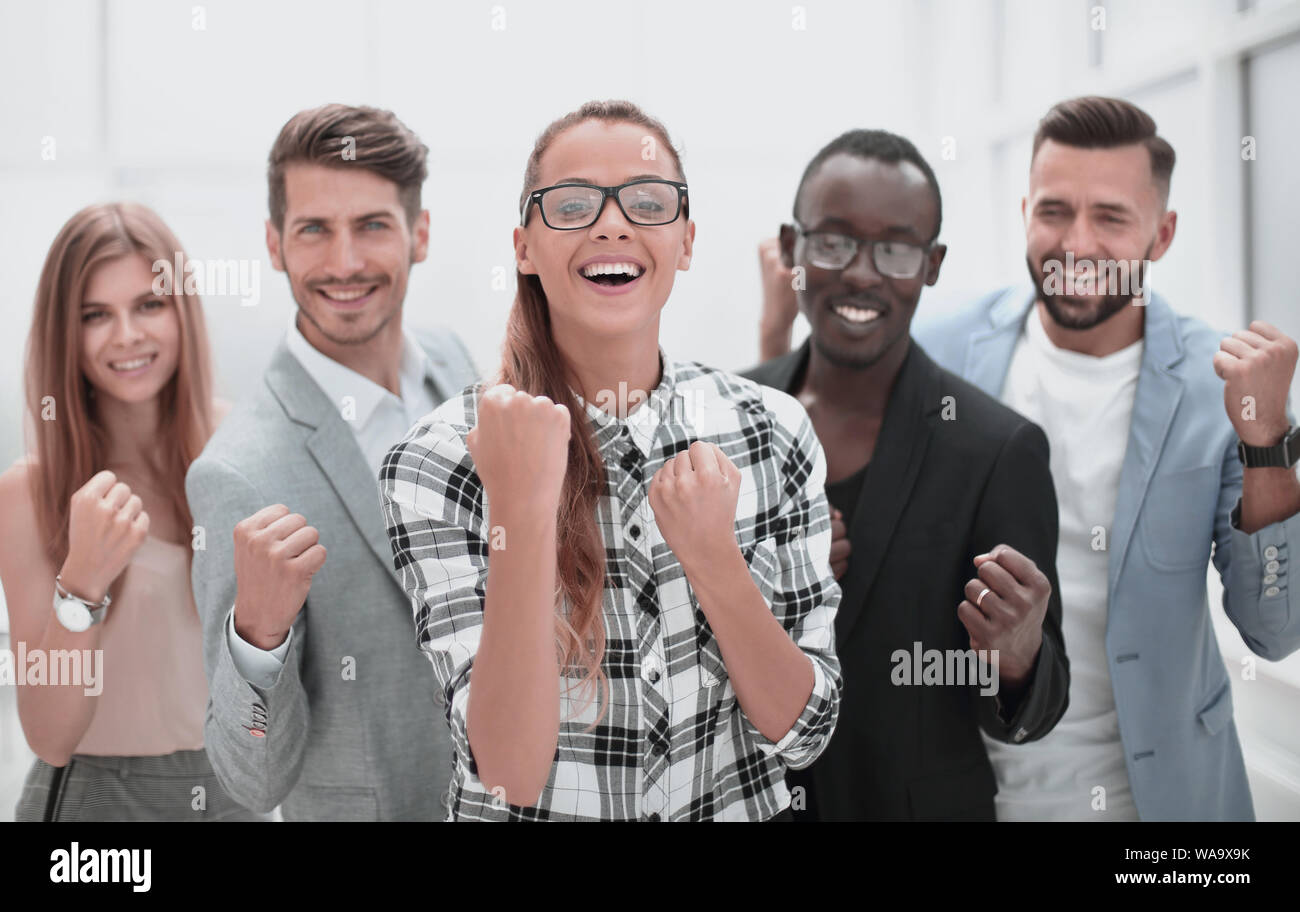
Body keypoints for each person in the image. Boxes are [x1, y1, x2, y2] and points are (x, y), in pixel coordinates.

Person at [379, 100, 842, 821]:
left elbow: (805, 734)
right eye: (571, 205)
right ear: (524, 248)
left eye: (648, 202)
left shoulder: (772, 430)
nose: (612, 223)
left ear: (686, 241)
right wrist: (523, 510)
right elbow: (509, 776)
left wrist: (716, 561)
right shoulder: (437, 459)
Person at [912, 96, 1300, 820]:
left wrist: (1267, 437)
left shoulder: (1220, 389)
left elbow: (1275, 632)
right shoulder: (937, 348)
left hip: (1157, 809)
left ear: (1163, 234)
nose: (1078, 244)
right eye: (1054, 211)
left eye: (1112, 218)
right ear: (1025, 210)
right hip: (965, 790)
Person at [745, 130, 1068, 821]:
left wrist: (1016, 653)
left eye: (895, 249)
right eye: (833, 242)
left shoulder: (996, 449)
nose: (862, 273)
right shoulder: (722, 420)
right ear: (792, 249)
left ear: (932, 265)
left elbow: (1031, 709)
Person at [185, 104, 477, 821]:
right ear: (274, 244)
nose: (345, 263)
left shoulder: (457, 366)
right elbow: (250, 779)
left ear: (421, 234)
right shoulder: (238, 474)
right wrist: (258, 633)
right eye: (314, 229)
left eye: (372, 225)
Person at [0, 202, 263, 821]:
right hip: (96, 802)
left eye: (149, 304)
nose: (127, 335)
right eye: (96, 315)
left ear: (182, 312)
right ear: (66, 331)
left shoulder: (245, 448)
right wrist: (84, 579)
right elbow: (49, 736)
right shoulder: (30, 493)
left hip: (233, 792)